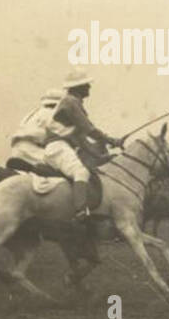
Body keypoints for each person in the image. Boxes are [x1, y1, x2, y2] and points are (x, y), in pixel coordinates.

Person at [48, 68, 121, 220]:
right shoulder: (71, 102)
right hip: (58, 146)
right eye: (86, 85)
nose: (89, 87)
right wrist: (111, 140)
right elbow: (89, 129)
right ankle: (80, 211)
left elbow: (82, 140)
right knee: (81, 172)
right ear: (78, 87)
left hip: (63, 146)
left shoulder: (74, 104)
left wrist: (100, 157)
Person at [7, 88, 65, 173]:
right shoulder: (53, 114)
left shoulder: (32, 114)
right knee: (61, 169)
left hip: (16, 149)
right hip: (33, 151)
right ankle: (36, 169)